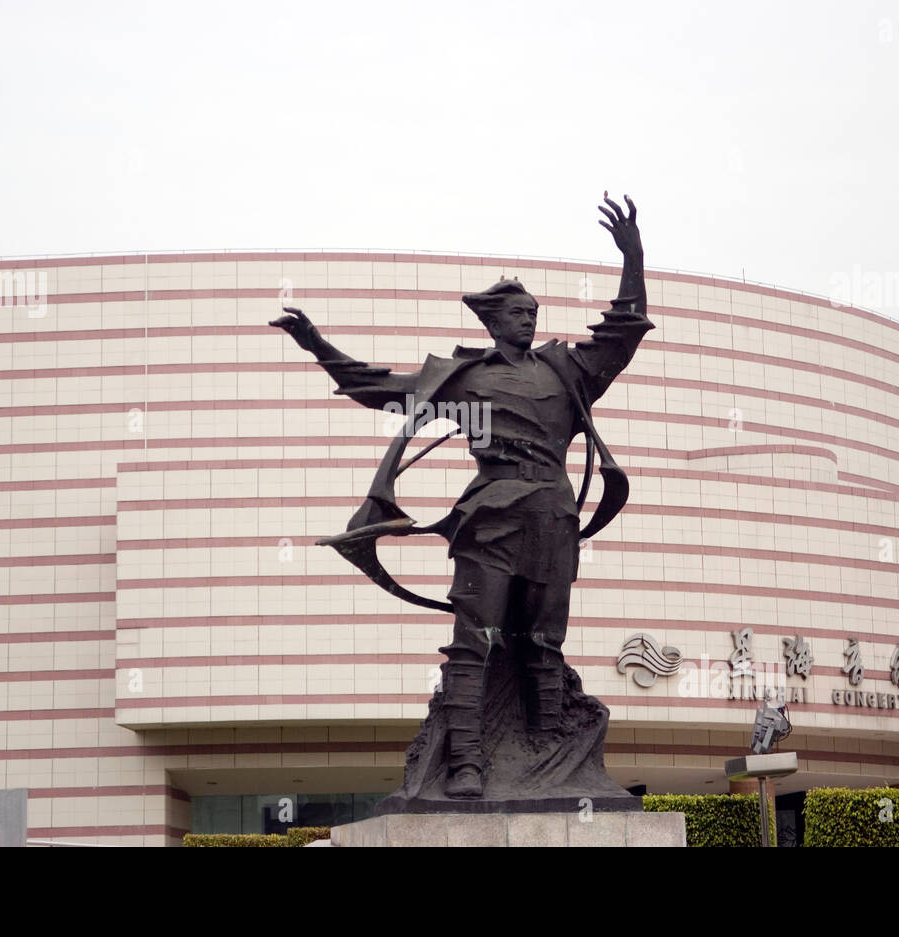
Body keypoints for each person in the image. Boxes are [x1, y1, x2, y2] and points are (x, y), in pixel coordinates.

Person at [270, 194, 652, 798]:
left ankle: (548, 749)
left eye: (533, 311)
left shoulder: (567, 373)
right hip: (491, 519)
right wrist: (318, 344)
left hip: (553, 519)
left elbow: (624, 333)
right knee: (474, 638)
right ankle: (468, 761)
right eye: (518, 313)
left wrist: (633, 257)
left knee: (544, 640)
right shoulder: (465, 380)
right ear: (493, 321)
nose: (529, 319)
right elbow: (376, 388)